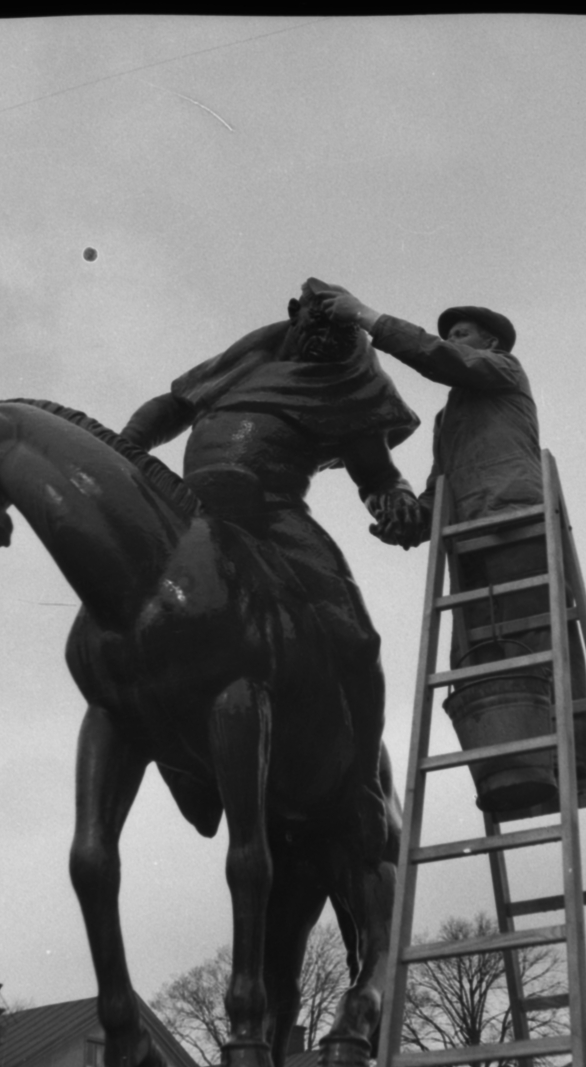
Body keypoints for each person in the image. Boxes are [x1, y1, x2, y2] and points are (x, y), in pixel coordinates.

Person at [120, 279, 421, 833]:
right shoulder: (246, 360)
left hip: (272, 513)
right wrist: (126, 445)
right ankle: (185, 762)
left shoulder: (350, 381)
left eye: (341, 325)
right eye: (318, 320)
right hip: (190, 508)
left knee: (355, 638)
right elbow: (173, 406)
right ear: (294, 314)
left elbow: (376, 472)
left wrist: (396, 502)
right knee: (121, 613)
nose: (328, 335)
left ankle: (361, 784)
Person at [313, 282, 586, 807]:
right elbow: (440, 486)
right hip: (468, 539)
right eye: (452, 335)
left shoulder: (506, 374)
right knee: (480, 657)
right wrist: (406, 519)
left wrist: (367, 317)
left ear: (492, 345)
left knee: (536, 641)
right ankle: (512, 773)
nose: (454, 341)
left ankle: (568, 769)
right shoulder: (451, 417)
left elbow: (434, 357)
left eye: (463, 334)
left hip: (513, 519)